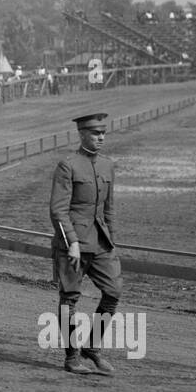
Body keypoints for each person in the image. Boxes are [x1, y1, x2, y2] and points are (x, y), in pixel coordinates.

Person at [49, 113, 120, 377]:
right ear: (81, 135)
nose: (100, 138)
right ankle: (72, 357)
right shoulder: (68, 166)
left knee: (113, 291)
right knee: (69, 299)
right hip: (73, 244)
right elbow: (58, 210)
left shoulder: (108, 165)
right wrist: (72, 243)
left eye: (103, 133)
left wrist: (112, 242)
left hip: (100, 243)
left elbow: (109, 209)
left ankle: (92, 346)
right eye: (94, 133)